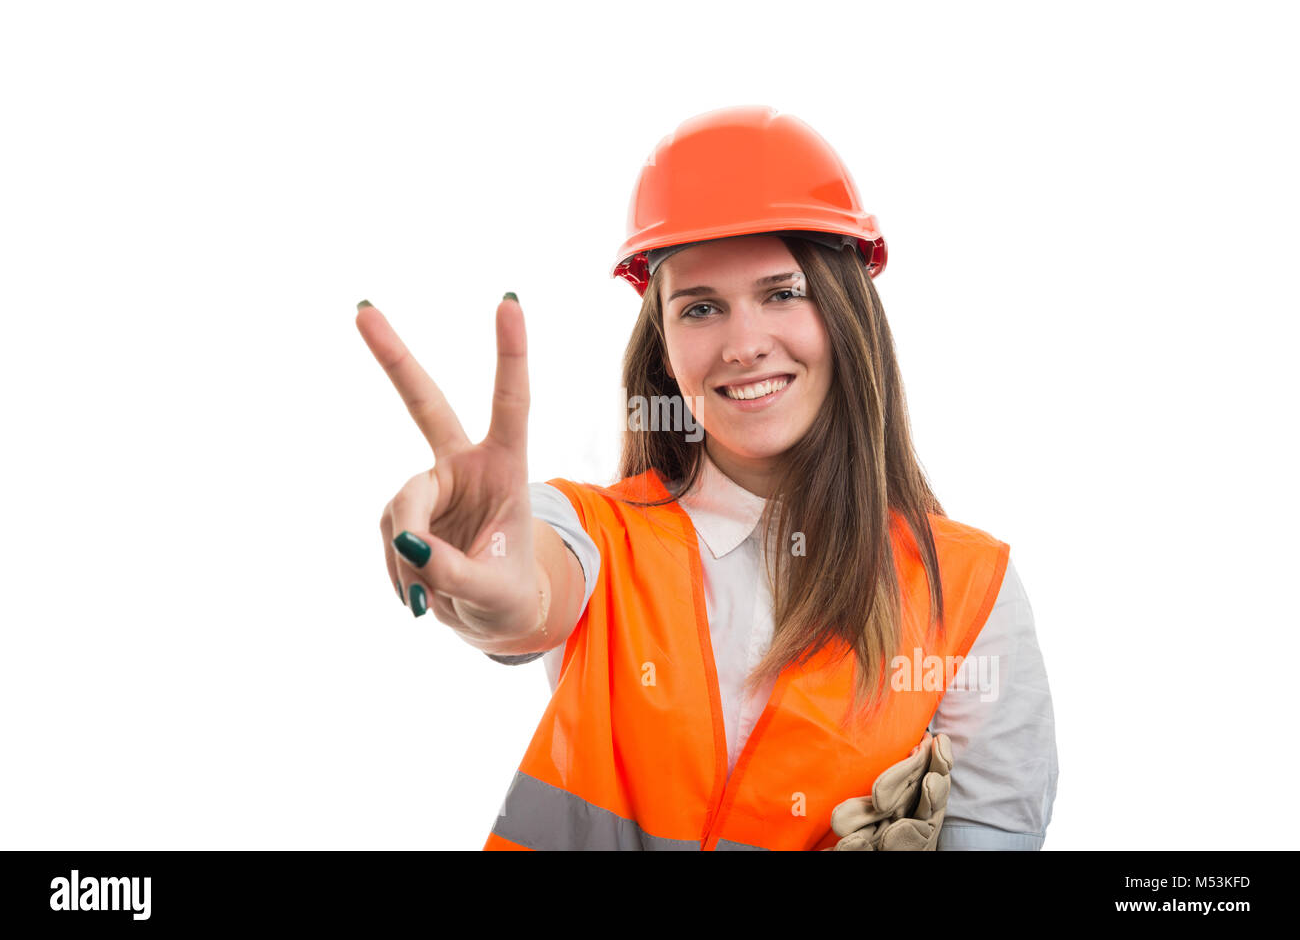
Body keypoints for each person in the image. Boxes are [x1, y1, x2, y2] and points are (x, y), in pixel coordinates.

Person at [356, 105, 1058, 851]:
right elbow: (534, 589)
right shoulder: (596, 533)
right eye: (700, 308)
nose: (744, 344)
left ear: (848, 310)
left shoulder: (971, 588)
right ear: (663, 346)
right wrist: (492, 584)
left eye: (783, 292)